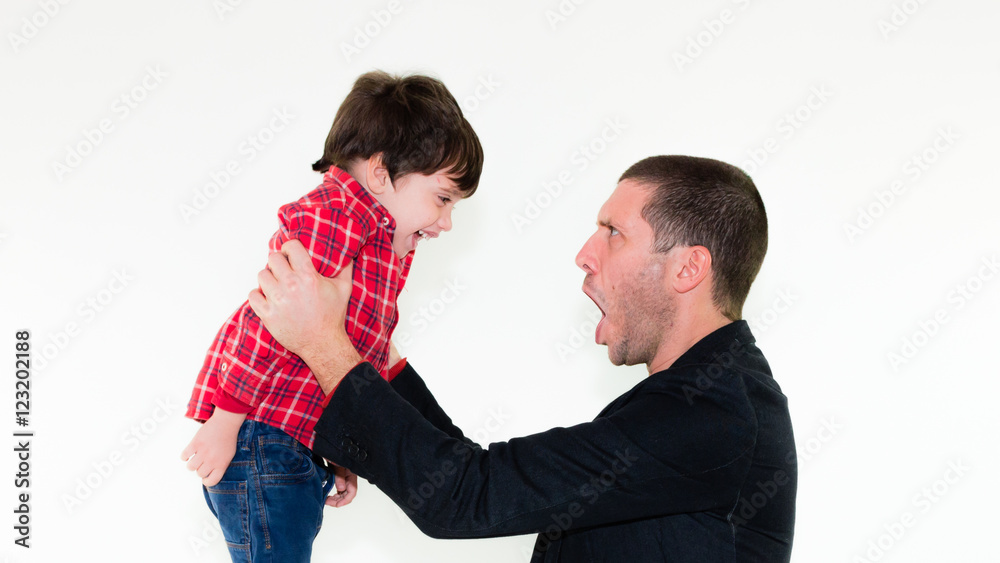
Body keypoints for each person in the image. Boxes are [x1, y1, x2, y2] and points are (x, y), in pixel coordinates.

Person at [250, 155, 797, 562]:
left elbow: (463, 496)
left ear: (688, 269)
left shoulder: (713, 416)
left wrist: (324, 345)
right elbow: (473, 475)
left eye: (614, 233)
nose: (585, 254)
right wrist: (378, 357)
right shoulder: (702, 404)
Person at [180, 71, 484, 562]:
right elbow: (265, 325)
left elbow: (345, 358)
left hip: (290, 445)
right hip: (259, 438)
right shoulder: (338, 218)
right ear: (382, 173)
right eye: (443, 198)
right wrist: (225, 421)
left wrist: (340, 452)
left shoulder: (381, 243)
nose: (447, 222)